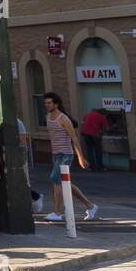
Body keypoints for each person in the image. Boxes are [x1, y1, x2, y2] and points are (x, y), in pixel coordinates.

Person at [45, 92, 97, 221]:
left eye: (49, 103)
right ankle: (90, 206)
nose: (47, 105)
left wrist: (80, 157)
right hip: (56, 154)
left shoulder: (63, 119)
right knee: (64, 183)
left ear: (56, 104)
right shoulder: (48, 117)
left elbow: (74, 138)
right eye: (45, 103)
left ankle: (57, 213)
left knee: (55, 179)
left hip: (66, 154)